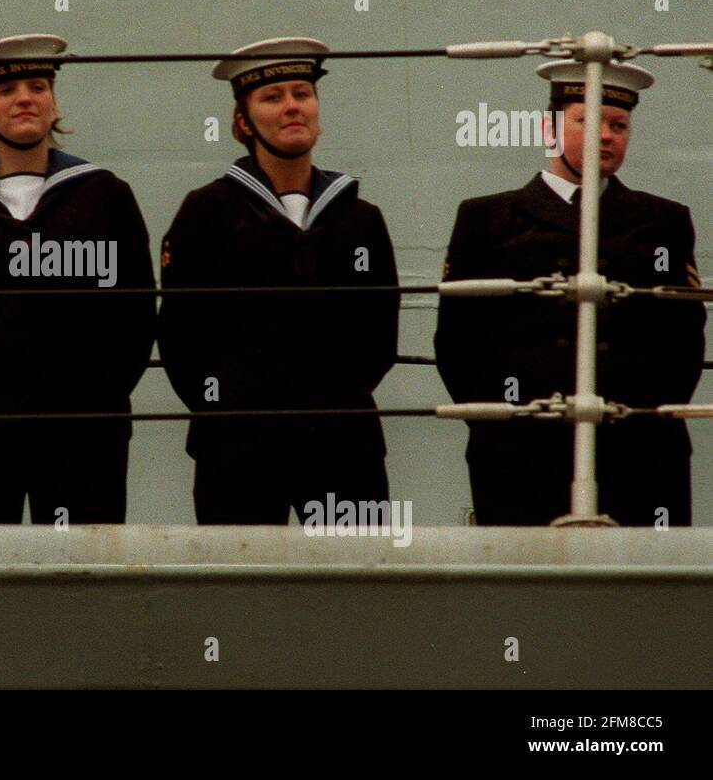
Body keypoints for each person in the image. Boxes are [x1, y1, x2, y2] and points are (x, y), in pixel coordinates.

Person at [435, 60, 705, 526]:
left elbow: (683, 341)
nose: (606, 135)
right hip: (519, 453)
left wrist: (642, 419)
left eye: (618, 124)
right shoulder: (487, 219)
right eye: (588, 120)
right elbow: (459, 343)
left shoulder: (664, 221)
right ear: (549, 128)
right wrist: (498, 424)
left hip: (639, 453)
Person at [0, 34, 155, 524]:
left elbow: (135, 319)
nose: (24, 98)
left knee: (82, 586)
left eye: (37, 86)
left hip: (84, 436)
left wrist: (91, 397)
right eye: (6, 89)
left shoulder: (105, 197)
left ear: (53, 102)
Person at [158, 38, 400, 525]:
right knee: (239, 594)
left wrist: (330, 401)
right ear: (244, 122)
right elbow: (182, 338)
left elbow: (378, 335)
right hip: (237, 448)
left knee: (354, 591)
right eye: (273, 97)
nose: (292, 106)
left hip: (343, 444)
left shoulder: (360, 217)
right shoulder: (207, 213)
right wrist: (225, 410)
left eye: (302, 93)